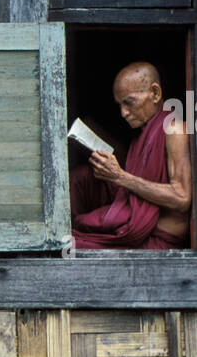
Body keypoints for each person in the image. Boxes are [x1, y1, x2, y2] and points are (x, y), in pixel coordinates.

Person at [70, 62, 191, 249]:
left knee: (70, 245)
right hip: (134, 231)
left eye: (129, 102)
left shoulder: (174, 129)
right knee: (83, 177)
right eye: (119, 105)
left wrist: (119, 176)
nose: (123, 113)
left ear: (155, 93)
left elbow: (182, 198)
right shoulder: (140, 137)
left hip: (156, 242)